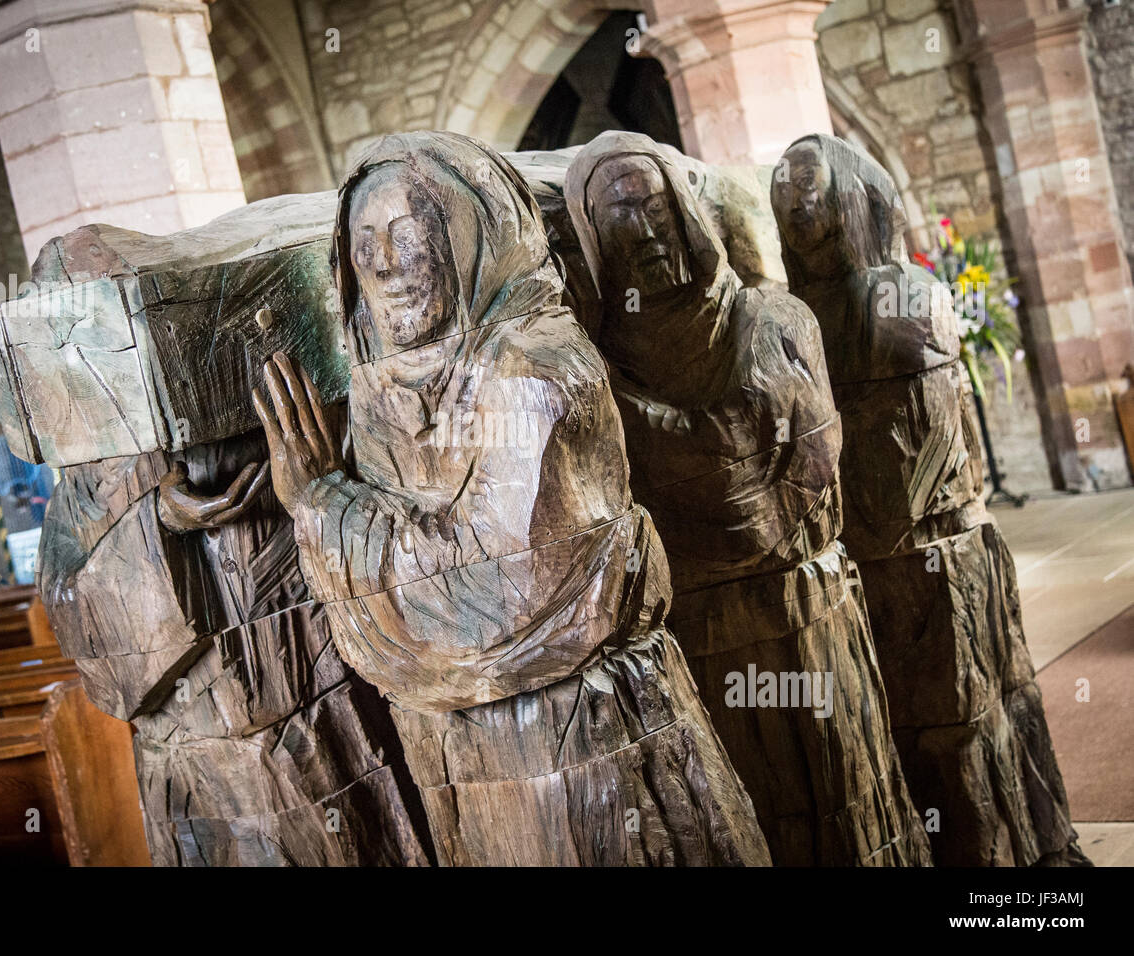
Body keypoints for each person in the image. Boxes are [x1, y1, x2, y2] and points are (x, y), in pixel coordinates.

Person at [254, 130, 770, 866]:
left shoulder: (534, 372)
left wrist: (322, 502)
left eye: (408, 232)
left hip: (579, 745)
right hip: (471, 758)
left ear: (470, 233)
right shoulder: (397, 386)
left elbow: (495, 593)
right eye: (364, 240)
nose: (384, 263)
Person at [564, 130, 930, 866]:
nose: (643, 227)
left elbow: (785, 483)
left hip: (803, 612)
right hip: (695, 635)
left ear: (684, 210)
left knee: (848, 802)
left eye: (653, 203)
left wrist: (648, 428)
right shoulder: (593, 370)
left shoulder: (769, 321)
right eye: (616, 212)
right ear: (589, 233)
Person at [772, 133, 1089, 866]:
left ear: (855, 196)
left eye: (811, 190)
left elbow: (923, 435)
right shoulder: (792, 316)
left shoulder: (902, 294)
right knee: (910, 725)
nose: (798, 206)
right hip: (868, 558)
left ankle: (1013, 859)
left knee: (971, 713)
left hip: (933, 546)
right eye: (785, 195)